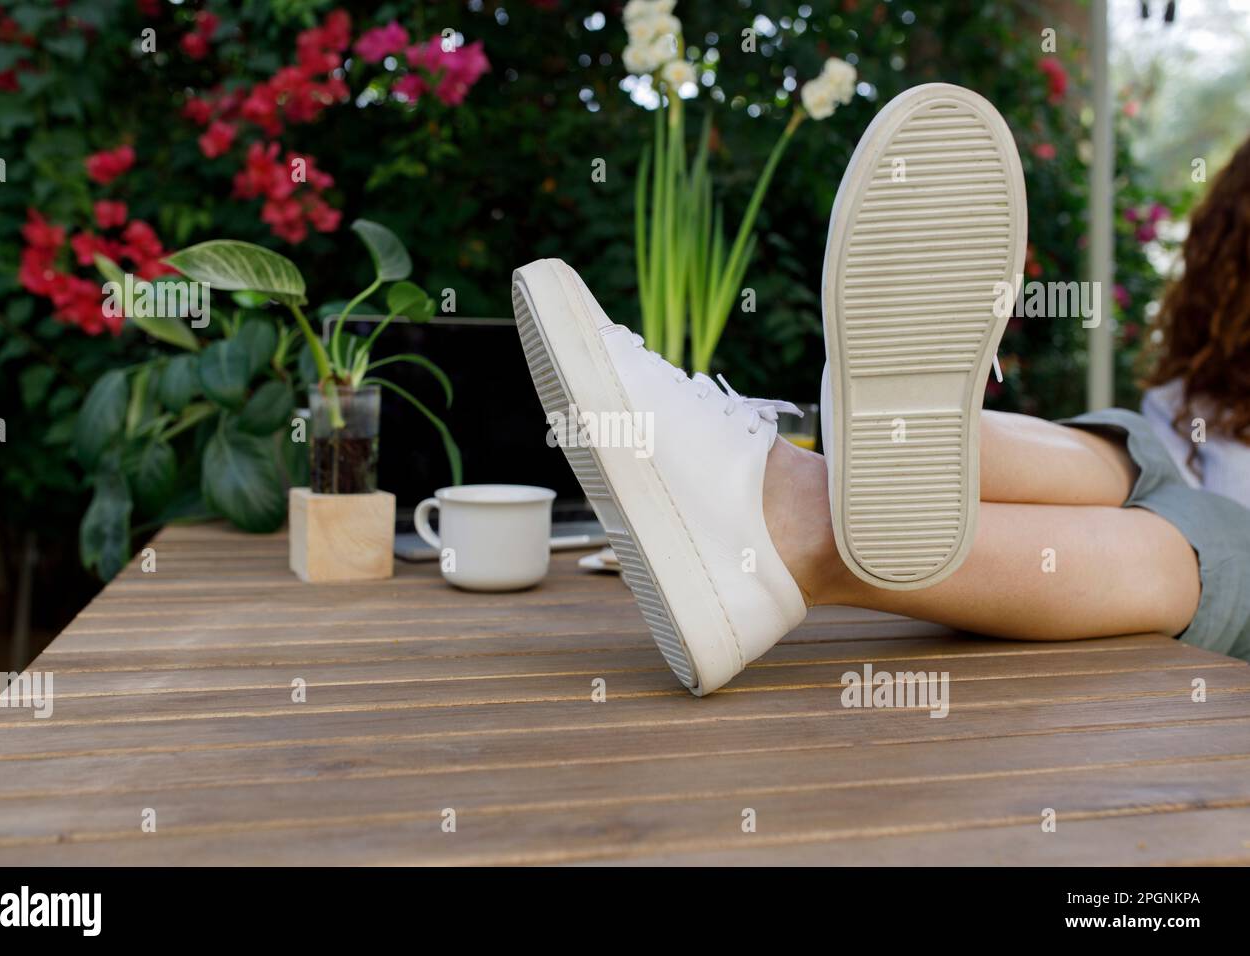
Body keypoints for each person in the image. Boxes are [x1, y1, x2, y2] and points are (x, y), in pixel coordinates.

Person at [511, 83, 1250, 697]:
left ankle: (805, 507)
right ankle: (844, 484)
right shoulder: (1199, 402)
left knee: (1219, 538)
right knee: (1140, 455)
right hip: (1159, 495)